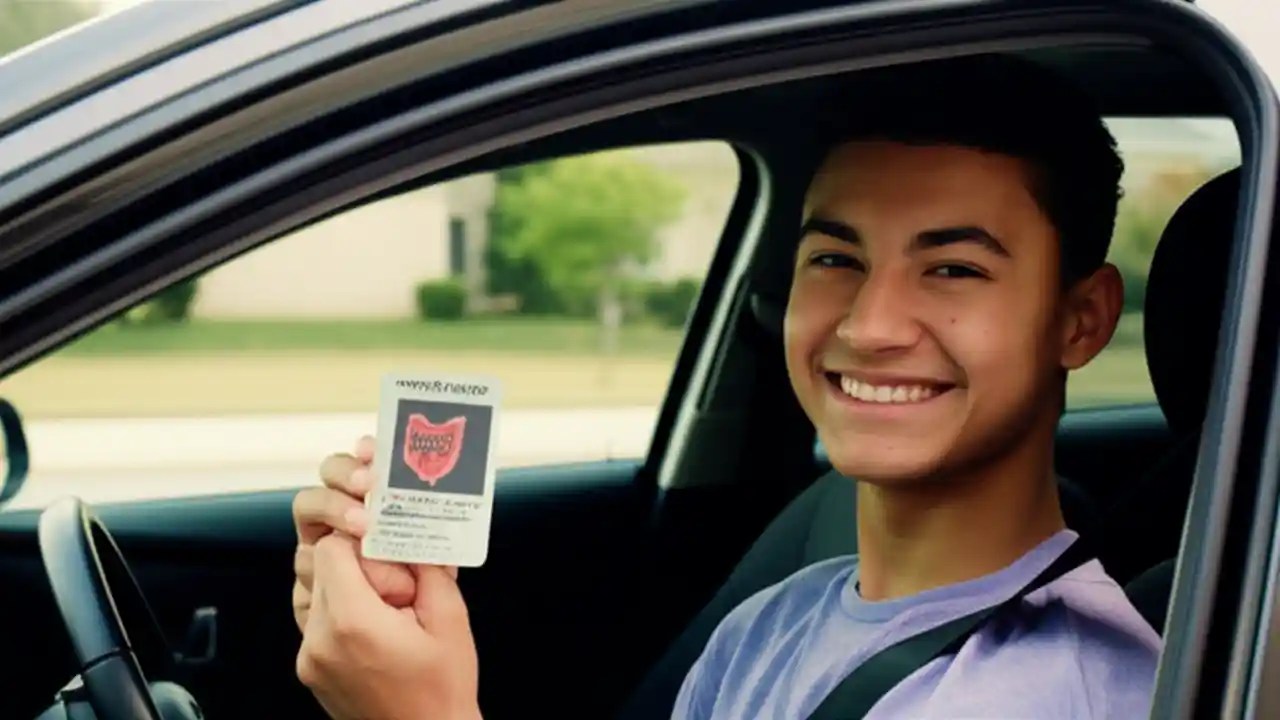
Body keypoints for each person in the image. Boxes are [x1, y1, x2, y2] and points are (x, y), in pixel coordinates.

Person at [289, 54, 1162, 719]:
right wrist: (405, 638)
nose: (869, 324)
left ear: (1079, 321)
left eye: (954, 269)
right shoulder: (776, 617)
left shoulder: (1072, 689)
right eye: (834, 258)